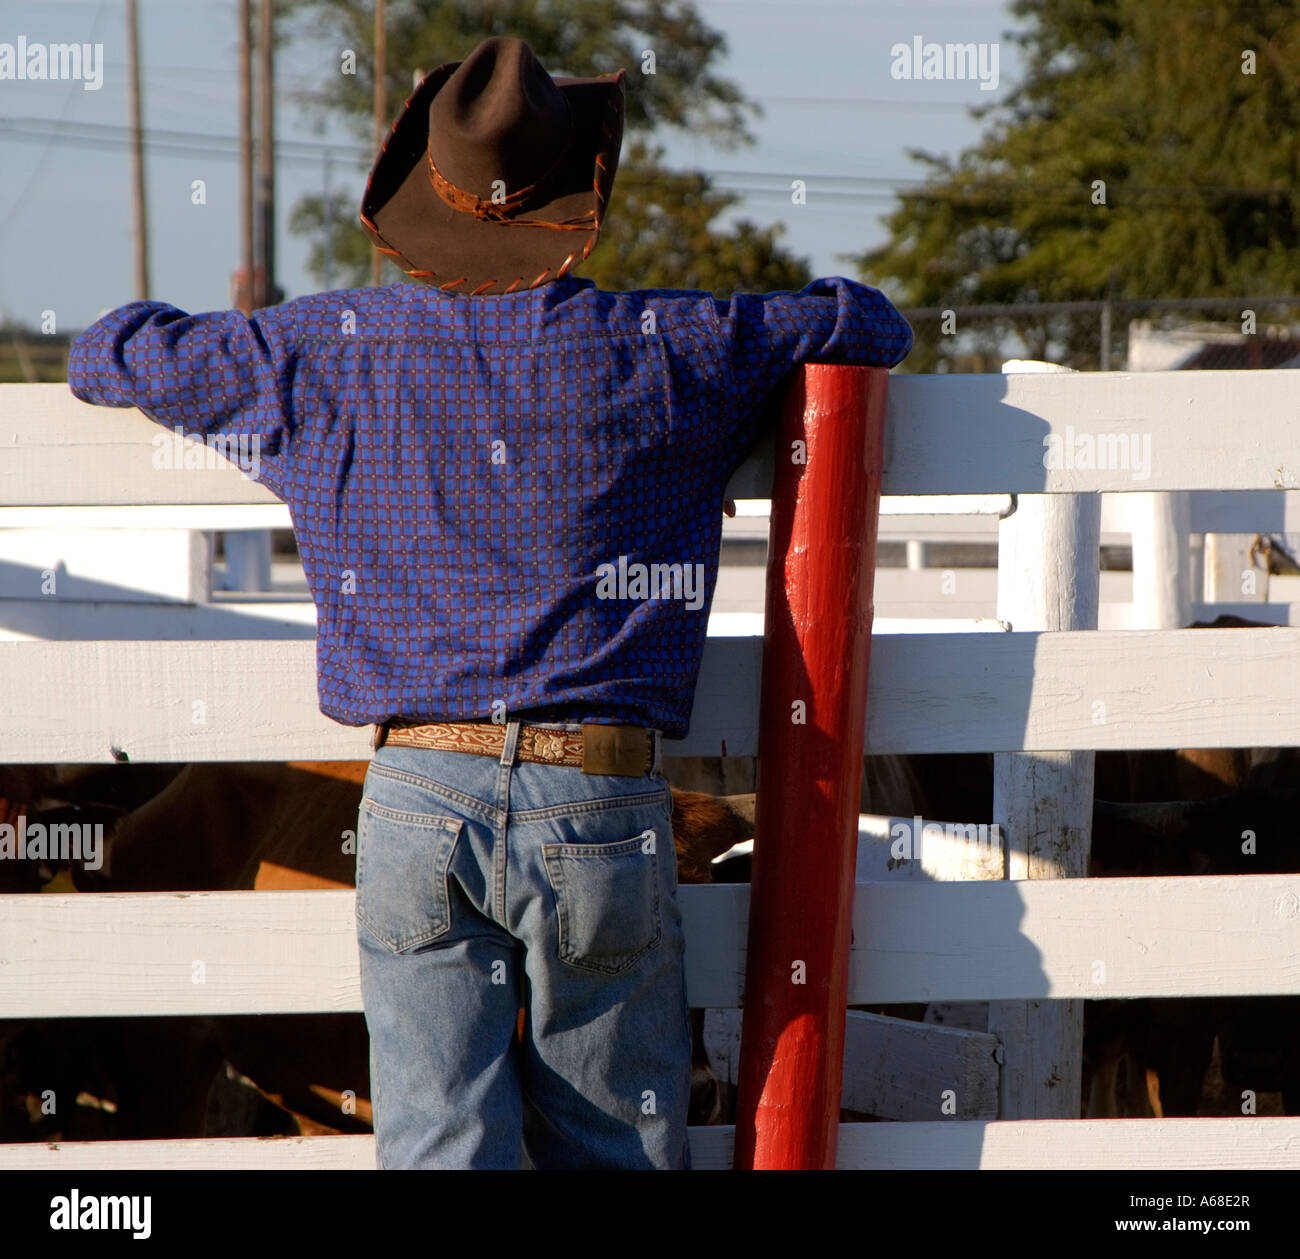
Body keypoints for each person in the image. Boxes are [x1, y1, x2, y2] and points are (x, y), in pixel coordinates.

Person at [66, 36, 912, 1169]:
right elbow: (865, 322)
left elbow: (111, 354)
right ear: (580, 199)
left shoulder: (325, 352)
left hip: (415, 788)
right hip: (596, 792)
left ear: (427, 199)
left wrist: (150, 328)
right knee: (615, 1144)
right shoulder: (670, 348)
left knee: (435, 1143)